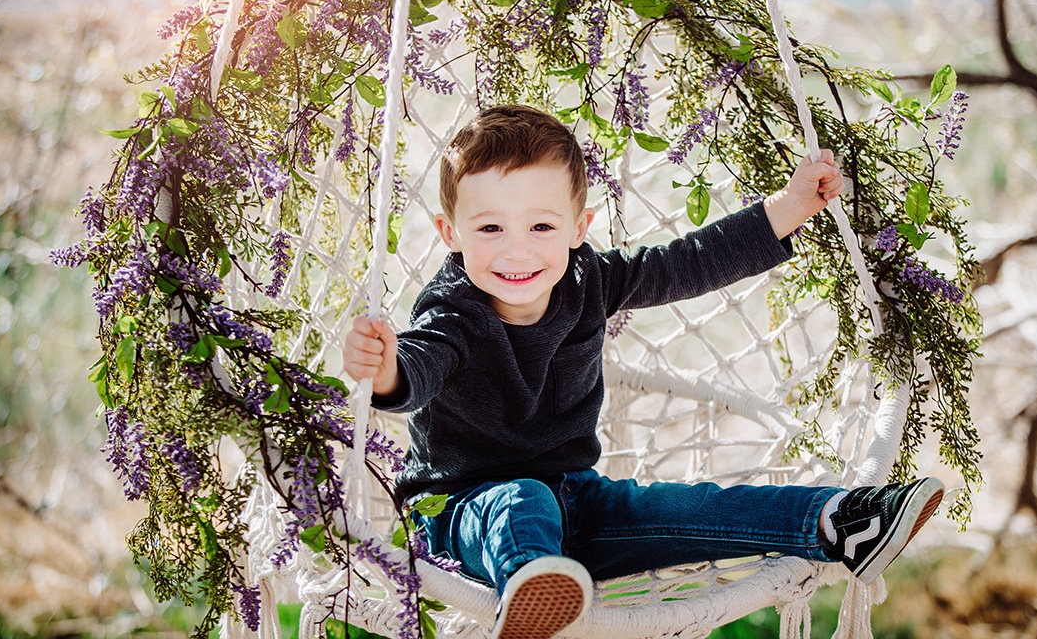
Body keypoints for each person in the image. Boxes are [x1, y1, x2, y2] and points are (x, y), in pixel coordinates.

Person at [344, 104, 944, 639]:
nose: (518, 251)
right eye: (491, 228)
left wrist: (790, 207)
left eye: (542, 227)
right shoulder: (453, 309)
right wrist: (387, 368)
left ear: (579, 229)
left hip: (573, 501)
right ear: (453, 235)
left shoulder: (591, 278)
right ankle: (532, 595)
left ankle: (839, 521)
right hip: (462, 515)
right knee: (519, 501)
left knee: (689, 508)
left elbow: (688, 262)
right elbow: (420, 365)